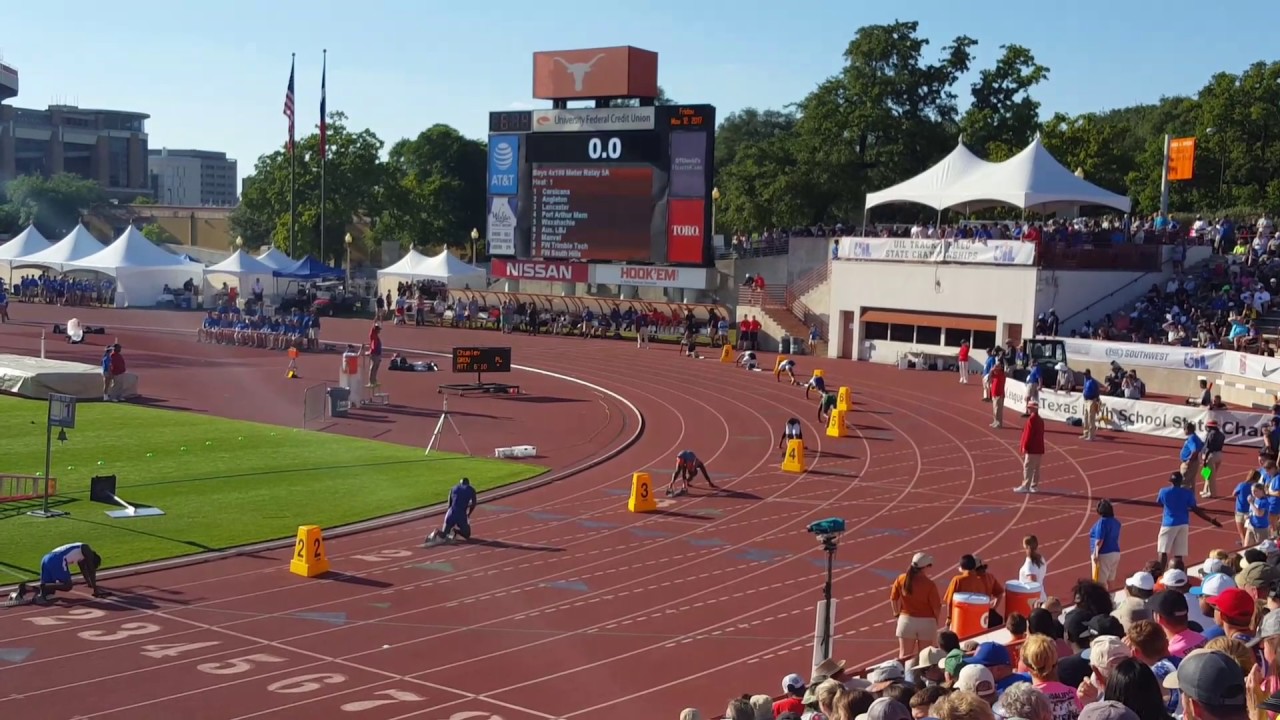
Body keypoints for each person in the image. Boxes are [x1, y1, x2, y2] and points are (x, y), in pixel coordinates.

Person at [1158, 471, 1223, 571]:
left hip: (1168, 523)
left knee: (1163, 551)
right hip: (1183, 523)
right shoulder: (1187, 493)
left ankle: (1160, 573)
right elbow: (1195, 509)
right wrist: (1210, 520)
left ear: (1170, 481)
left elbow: (1160, 502)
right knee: (1179, 553)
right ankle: (1178, 572)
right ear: (1181, 481)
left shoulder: (1163, 491)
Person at [12, 542, 107, 605]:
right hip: (57, 558)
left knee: (50, 591)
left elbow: (84, 571)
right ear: (92, 558)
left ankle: (25, 588)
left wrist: (90, 584)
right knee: (67, 585)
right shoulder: (87, 549)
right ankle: (43, 587)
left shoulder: (81, 555)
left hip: (46, 558)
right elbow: (91, 570)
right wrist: (96, 589)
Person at [889, 552, 941, 658]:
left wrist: (896, 614)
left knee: (904, 656)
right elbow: (936, 607)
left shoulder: (901, 579)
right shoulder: (929, 585)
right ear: (924, 567)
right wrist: (935, 622)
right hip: (926, 622)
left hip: (906, 621)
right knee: (925, 657)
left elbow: (893, 598)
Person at [426, 478, 477, 545]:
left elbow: (449, 503)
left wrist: (450, 511)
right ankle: (455, 531)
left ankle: (436, 532)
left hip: (451, 513)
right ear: (468, 483)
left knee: (444, 534)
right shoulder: (471, 490)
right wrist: (469, 513)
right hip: (461, 514)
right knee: (467, 534)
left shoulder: (453, 488)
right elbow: (473, 504)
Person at [1090, 499, 1123, 588]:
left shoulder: (1102, 523)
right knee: (1110, 579)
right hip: (1115, 552)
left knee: (1099, 582)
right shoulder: (1117, 522)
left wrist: (1096, 554)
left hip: (1104, 554)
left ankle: (1102, 600)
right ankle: (1112, 598)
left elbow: (1099, 540)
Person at [1014, 401, 1045, 493]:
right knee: (1036, 468)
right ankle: (1034, 486)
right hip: (1039, 448)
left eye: (1030, 407)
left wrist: (1025, 446)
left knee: (1028, 467)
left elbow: (1028, 435)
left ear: (1034, 408)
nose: (1028, 408)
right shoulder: (1040, 420)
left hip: (1032, 448)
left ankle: (1025, 486)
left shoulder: (1031, 420)